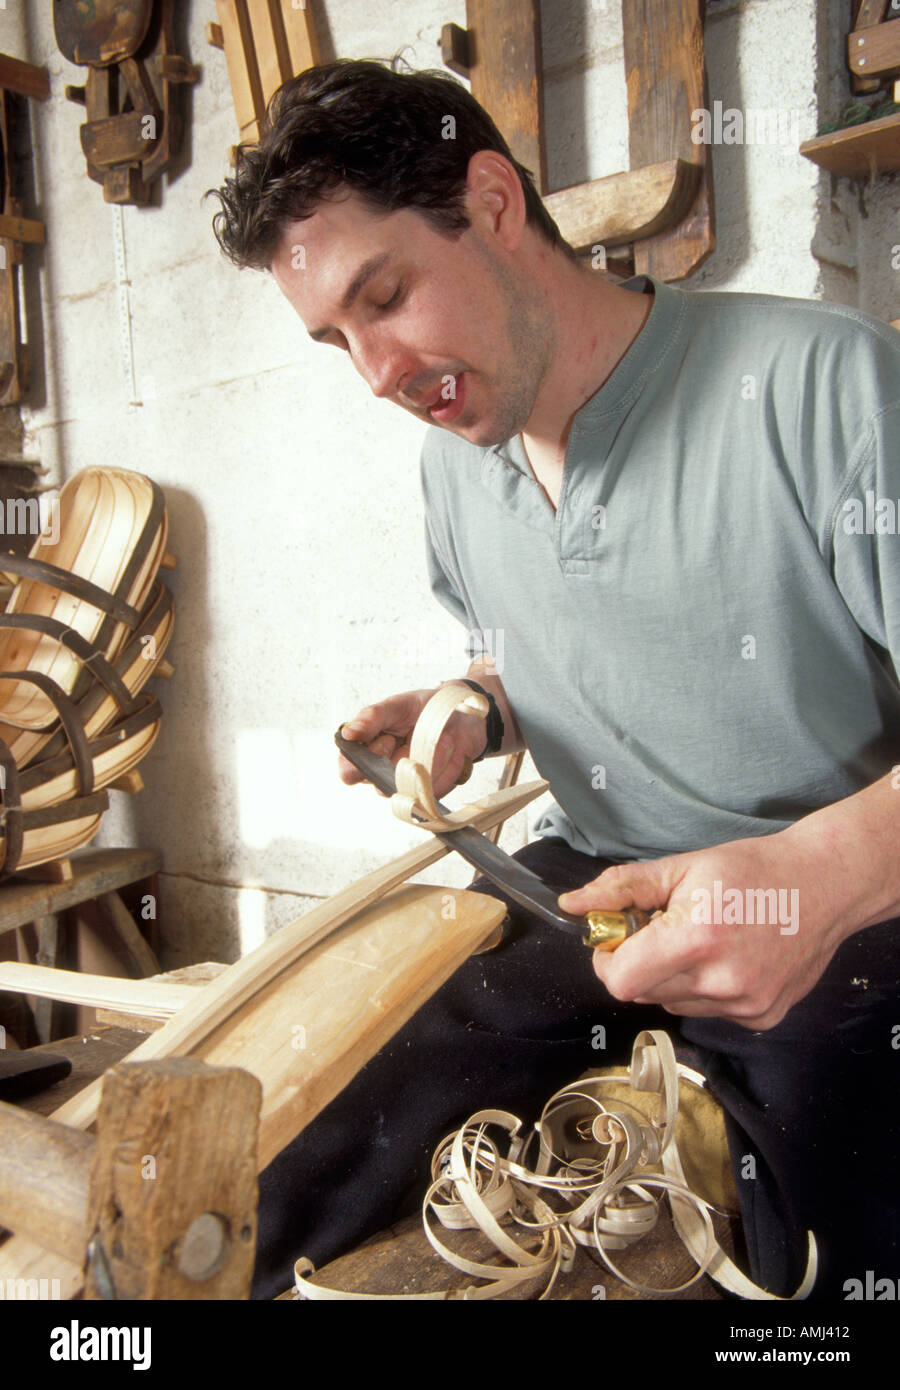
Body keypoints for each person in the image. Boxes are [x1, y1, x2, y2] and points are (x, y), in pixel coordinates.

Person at [210, 57, 900, 1301]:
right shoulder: (455, 465)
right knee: (318, 1140)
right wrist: (474, 703)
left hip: (851, 909)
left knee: (814, 1239)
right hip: (590, 893)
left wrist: (825, 874)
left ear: (490, 201)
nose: (378, 374)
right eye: (337, 340)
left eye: (389, 296)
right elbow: (527, 641)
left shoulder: (824, 385)